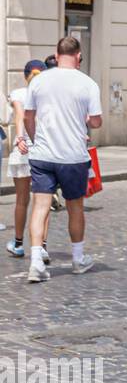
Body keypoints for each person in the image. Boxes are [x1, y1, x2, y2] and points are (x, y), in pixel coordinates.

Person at [22, 36, 104, 282]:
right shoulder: (88, 84)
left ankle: (36, 262)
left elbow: (28, 117)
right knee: (75, 207)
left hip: (43, 155)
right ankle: (78, 259)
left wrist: (36, 140)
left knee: (39, 207)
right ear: (78, 56)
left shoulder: (39, 81)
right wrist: (87, 120)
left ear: (56, 56)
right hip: (73, 156)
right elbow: (96, 121)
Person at [7, 60, 49, 258]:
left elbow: (20, 115)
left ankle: (18, 244)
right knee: (42, 202)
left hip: (23, 149)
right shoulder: (49, 96)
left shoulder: (18, 93)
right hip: (44, 149)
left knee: (21, 200)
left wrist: (21, 137)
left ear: (25, 76)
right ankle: (42, 247)